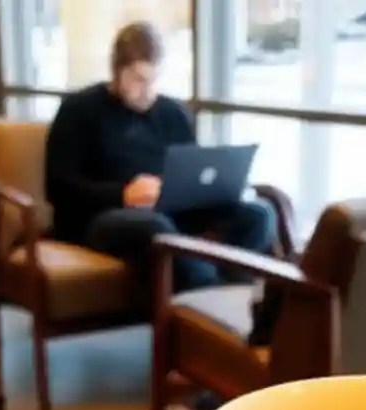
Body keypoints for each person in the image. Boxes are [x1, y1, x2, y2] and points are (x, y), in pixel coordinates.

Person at [45, 21, 277, 292]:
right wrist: (123, 194)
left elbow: (193, 174)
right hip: (99, 218)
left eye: (154, 80)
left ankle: (225, 294)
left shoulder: (173, 113)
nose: (147, 91)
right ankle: (214, 298)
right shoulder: (79, 110)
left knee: (259, 213)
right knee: (156, 227)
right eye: (138, 80)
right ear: (116, 71)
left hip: (169, 212)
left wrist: (221, 190)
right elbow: (57, 188)